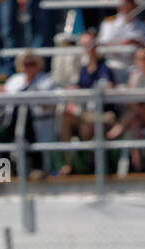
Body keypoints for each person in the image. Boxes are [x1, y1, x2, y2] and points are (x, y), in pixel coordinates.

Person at [58, 32, 116, 175]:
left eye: (89, 45)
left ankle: (90, 165)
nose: (87, 49)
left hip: (104, 115)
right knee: (65, 118)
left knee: (87, 127)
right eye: (84, 46)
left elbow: (107, 87)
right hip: (87, 114)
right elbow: (78, 86)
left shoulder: (104, 67)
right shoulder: (83, 69)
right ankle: (68, 163)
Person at [105, 46, 145, 172]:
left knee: (133, 110)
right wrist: (134, 99)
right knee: (135, 122)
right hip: (139, 115)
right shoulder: (135, 75)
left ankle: (119, 127)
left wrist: (134, 99)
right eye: (138, 59)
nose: (142, 61)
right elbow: (131, 94)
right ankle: (137, 162)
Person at [0, 52, 56, 175]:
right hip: (14, 122)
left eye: (31, 64)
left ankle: (37, 168)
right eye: (25, 64)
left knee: (24, 119)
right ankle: (4, 173)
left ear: (38, 65)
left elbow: (50, 105)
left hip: (39, 122)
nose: (28, 67)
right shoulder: (14, 80)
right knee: (5, 141)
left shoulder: (46, 81)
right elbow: (4, 99)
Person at [97, 0, 145, 80]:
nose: (127, 7)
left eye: (129, 3)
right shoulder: (108, 23)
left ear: (135, 5)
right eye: (124, 3)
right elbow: (103, 44)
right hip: (112, 66)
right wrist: (122, 45)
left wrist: (137, 43)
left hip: (137, 67)